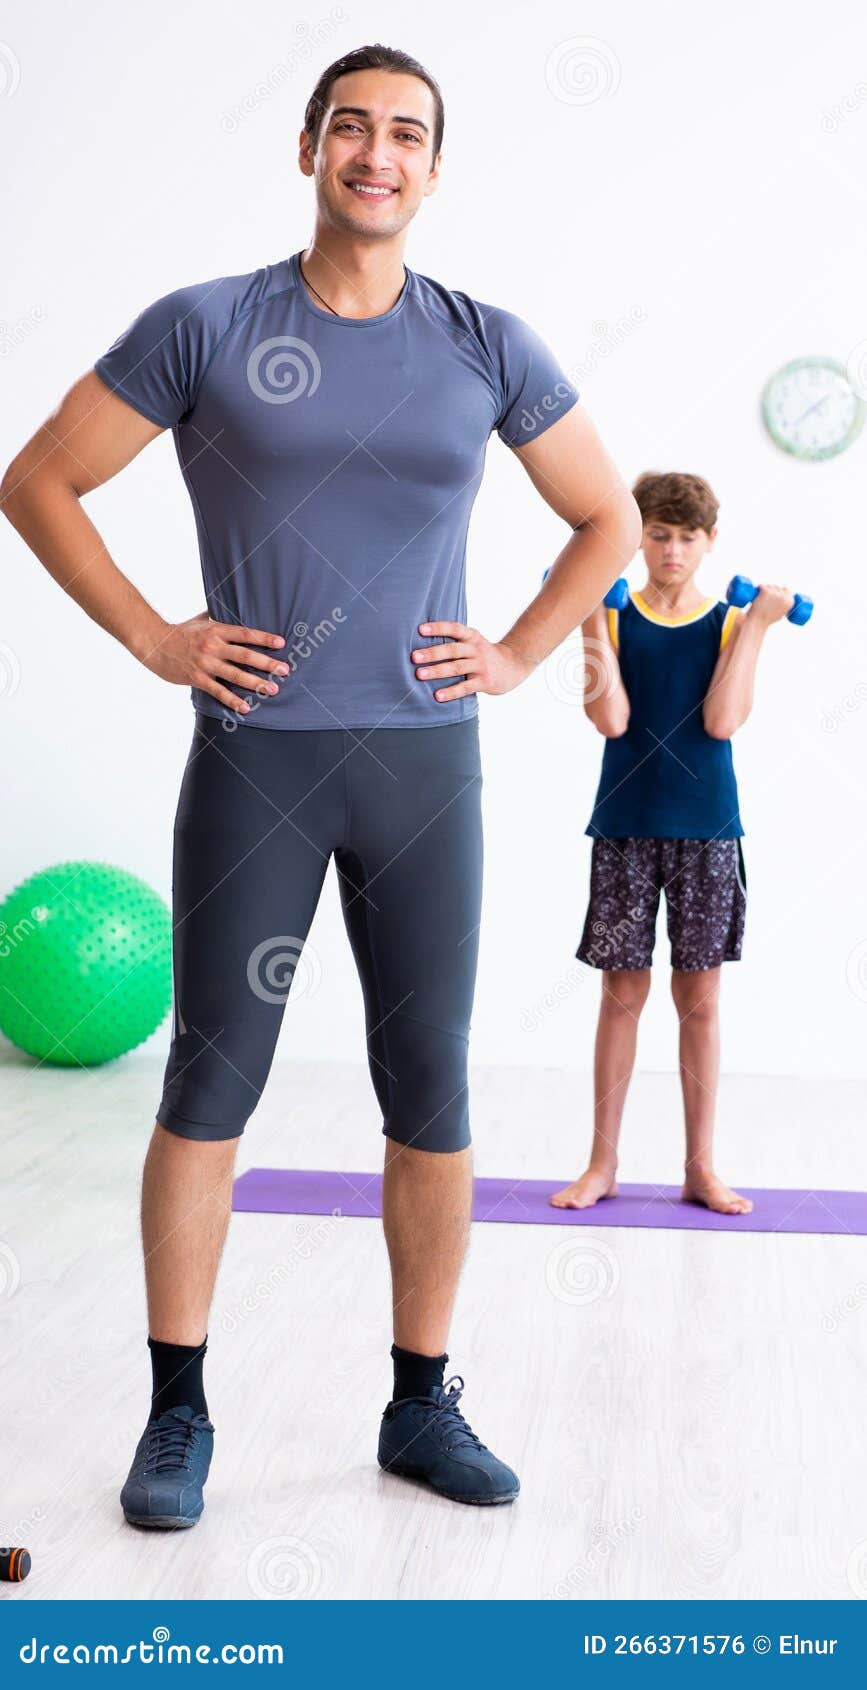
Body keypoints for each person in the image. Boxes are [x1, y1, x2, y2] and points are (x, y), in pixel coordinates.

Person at [1, 42, 640, 1522]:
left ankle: (419, 1402)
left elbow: (605, 514)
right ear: (305, 150)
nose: (376, 152)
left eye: (405, 133)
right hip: (258, 764)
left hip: (422, 763)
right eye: (350, 126)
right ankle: (176, 1413)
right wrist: (158, 635)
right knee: (209, 1082)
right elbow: (37, 478)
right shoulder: (208, 325)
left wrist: (520, 651)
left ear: (430, 167)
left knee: (429, 1087)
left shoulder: (485, 341)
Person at [551, 470, 796, 1218]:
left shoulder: (727, 622)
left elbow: (721, 722)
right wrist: (591, 619)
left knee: (700, 998)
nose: (670, 550)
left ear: (708, 543)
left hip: (706, 832)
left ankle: (700, 1168)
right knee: (620, 993)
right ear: (637, 538)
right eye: (656, 534)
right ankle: (601, 1165)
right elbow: (610, 721)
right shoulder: (617, 618)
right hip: (624, 828)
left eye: (686, 538)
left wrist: (754, 626)